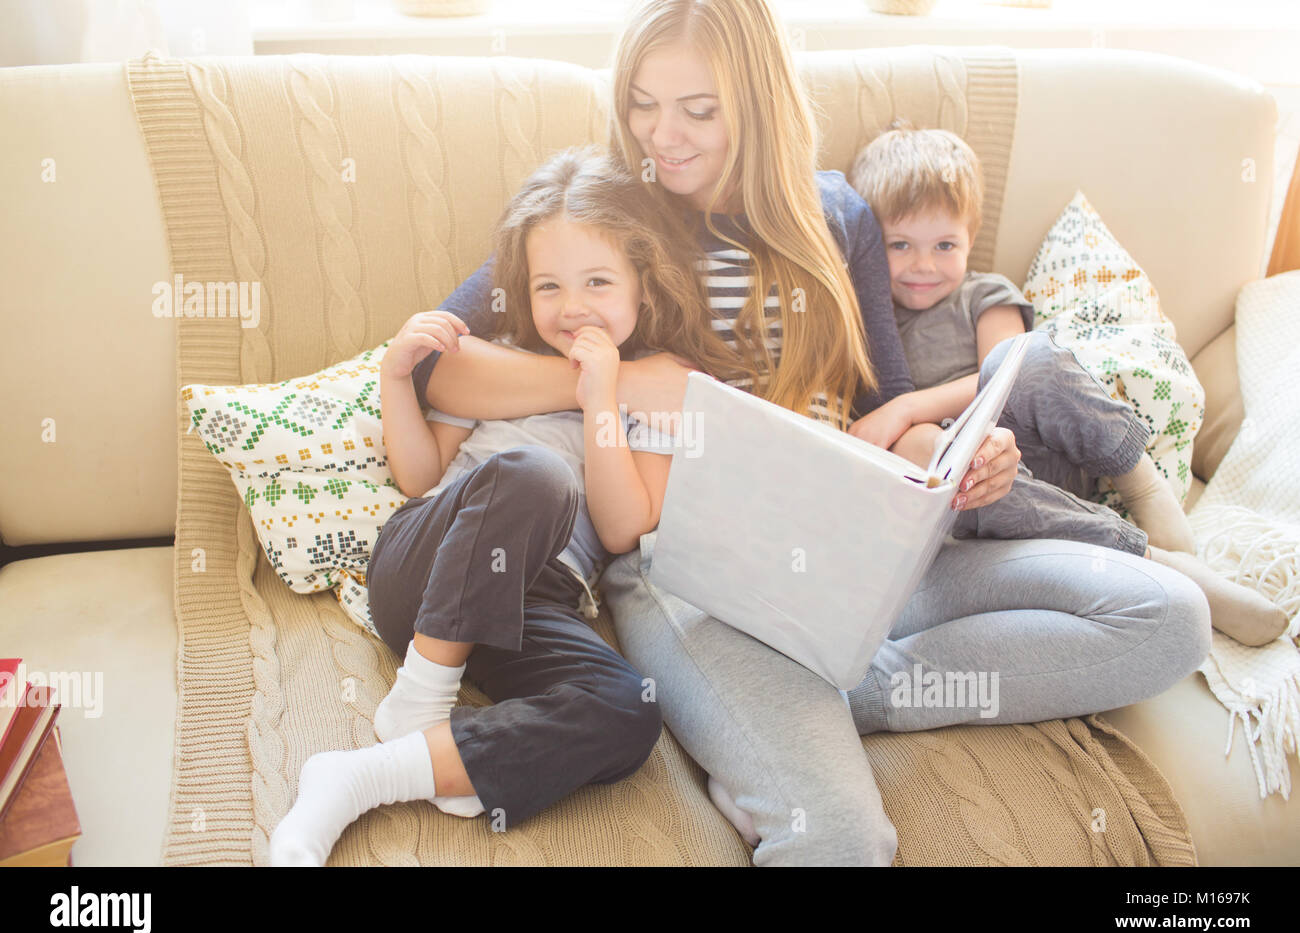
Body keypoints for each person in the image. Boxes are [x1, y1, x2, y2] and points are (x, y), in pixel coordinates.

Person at [405, 0, 1212, 866]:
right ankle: (782, 701)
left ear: (756, 101)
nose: (664, 134)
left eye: (699, 109)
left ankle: (845, 689)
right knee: (839, 839)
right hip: (698, 568)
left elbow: (883, 402)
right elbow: (437, 367)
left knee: (1168, 616)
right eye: (643, 102)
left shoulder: (837, 217)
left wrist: (955, 459)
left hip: (855, 537)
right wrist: (628, 379)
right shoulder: (612, 206)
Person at [269, 146, 743, 866]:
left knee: (629, 710)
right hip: (425, 578)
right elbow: (418, 476)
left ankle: (360, 776)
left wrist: (603, 400)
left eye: (598, 282)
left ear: (643, 289)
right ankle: (422, 697)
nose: (572, 305)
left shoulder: (656, 392)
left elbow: (622, 526)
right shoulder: (496, 355)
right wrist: (396, 382)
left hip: (533, 605)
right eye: (549, 285)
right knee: (536, 475)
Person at [849, 122, 1288, 648]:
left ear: (972, 236)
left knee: (1027, 355)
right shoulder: (866, 322)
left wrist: (906, 407)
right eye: (901, 245)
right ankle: (1155, 561)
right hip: (989, 501)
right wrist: (909, 430)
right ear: (874, 247)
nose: (924, 265)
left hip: (1037, 446)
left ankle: (1144, 487)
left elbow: (1004, 379)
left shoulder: (983, 293)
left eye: (945, 244)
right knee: (925, 452)